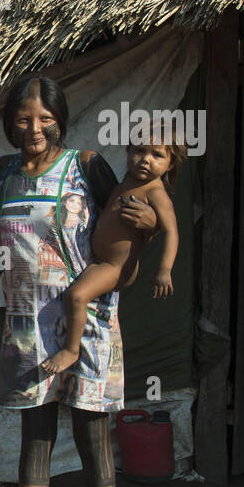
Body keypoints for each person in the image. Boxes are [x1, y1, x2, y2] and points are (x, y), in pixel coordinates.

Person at [0, 75, 156, 487]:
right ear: (9, 123)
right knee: (34, 440)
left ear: (60, 118)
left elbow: (124, 233)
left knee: (92, 440)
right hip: (27, 328)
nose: (34, 128)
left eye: (44, 117)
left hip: (90, 324)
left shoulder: (88, 165)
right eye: (22, 118)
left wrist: (151, 224)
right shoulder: (3, 172)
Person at [40, 128, 182, 374]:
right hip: (101, 261)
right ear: (127, 151)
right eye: (139, 151)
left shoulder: (155, 192)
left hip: (115, 266)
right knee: (77, 298)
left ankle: (71, 350)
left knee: (76, 296)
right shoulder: (127, 181)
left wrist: (164, 270)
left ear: (170, 165)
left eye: (157, 155)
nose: (146, 159)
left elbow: (171, 231)